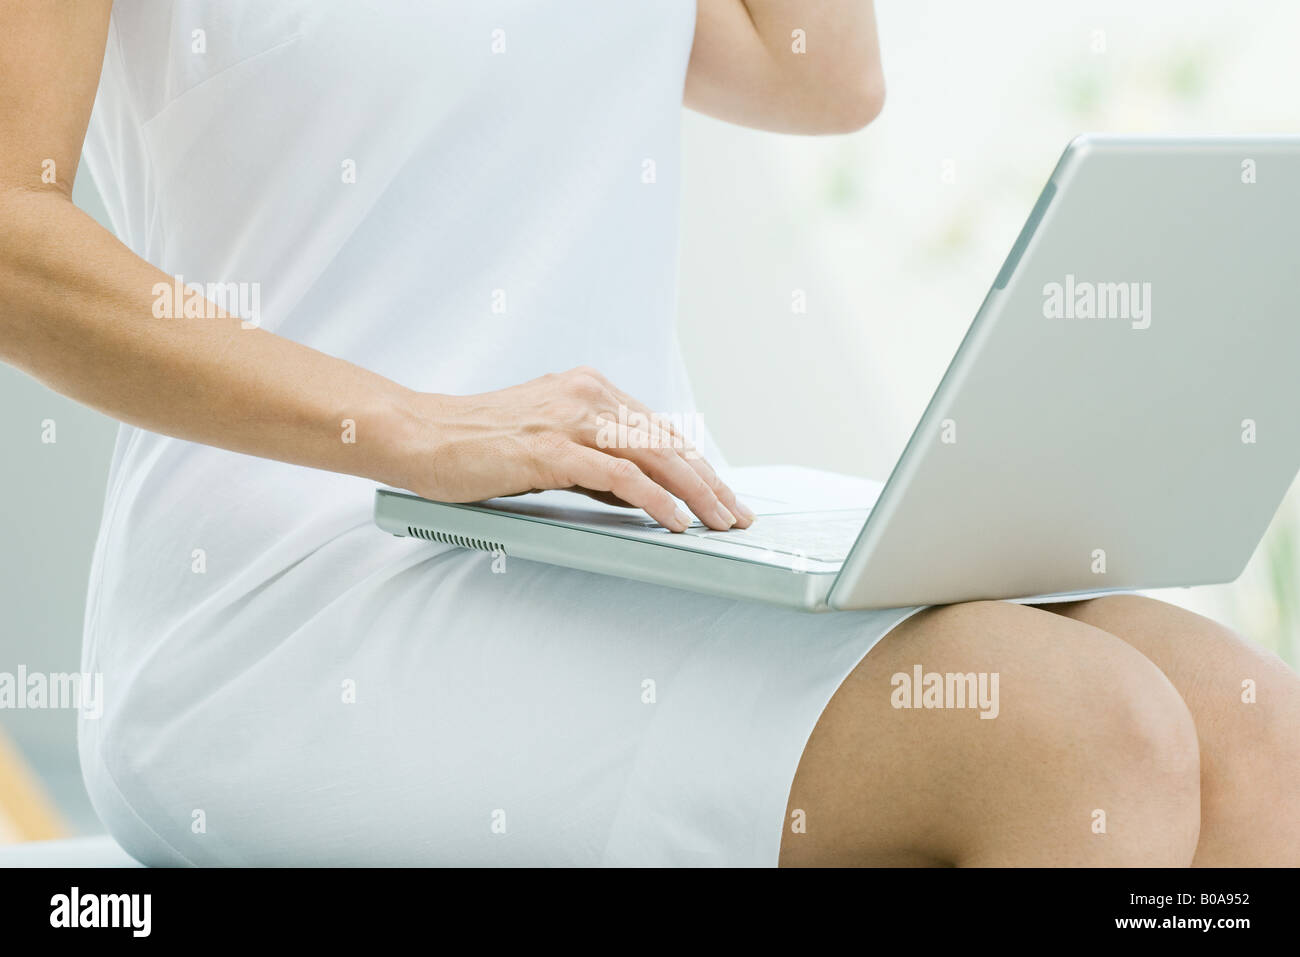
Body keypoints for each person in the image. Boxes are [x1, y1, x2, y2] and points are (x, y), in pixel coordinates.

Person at [1, 0, 1296, 866]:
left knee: (1250, 726)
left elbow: (826, 75)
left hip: (620, 533)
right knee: (1071, 730)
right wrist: (413, 424)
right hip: (288, 589)